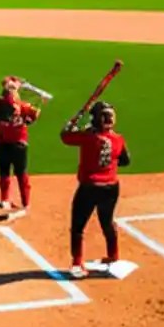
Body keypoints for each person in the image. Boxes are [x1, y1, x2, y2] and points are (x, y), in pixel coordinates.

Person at [60, 101, 130, 279]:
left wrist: (73, 121)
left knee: (78, 227)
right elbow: (125, 161)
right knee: (107, 222)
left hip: (89, 188)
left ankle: (77, 263)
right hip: (111, 188)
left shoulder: (87, 137)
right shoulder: (118, 139)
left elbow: (65, 136)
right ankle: (113, 256)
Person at [0, 76, 40, 221]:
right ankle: (25, 204)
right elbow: (35, 115)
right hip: (19, 144)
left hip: (2, 143)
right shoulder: (23, 106)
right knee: (21, 174)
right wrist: (29, 118)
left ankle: (5, 200)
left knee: (4, 172)